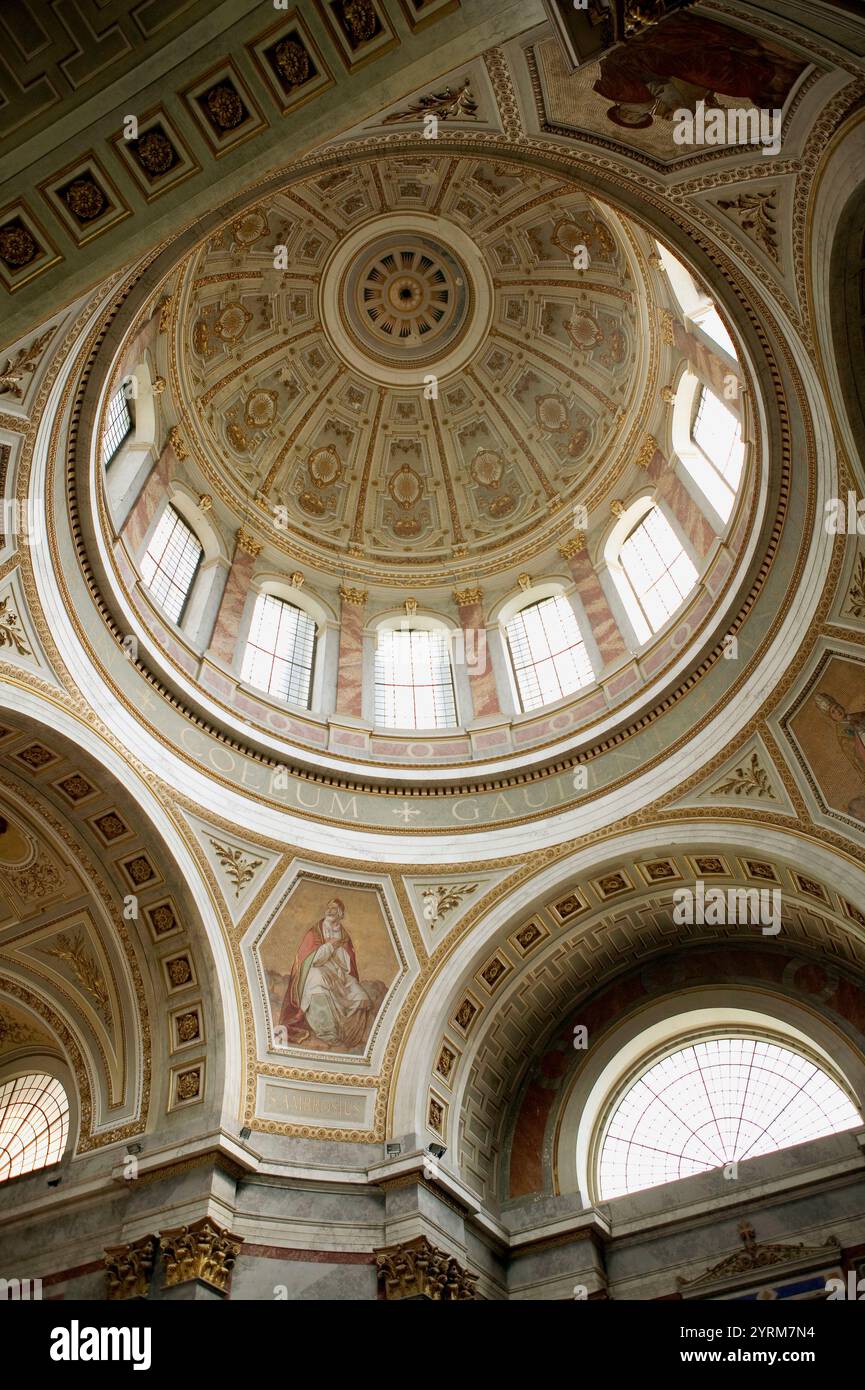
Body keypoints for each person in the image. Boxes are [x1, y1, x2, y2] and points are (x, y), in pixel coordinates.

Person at [278, 897, 384, 1050]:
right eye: (328, 908)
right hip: (317, 969)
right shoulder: (315, 932)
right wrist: (329, 946)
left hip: (339, 975)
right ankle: (327, 1032)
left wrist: (338, 950)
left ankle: (349, 1036)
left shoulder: (344, 936)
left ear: (340, 913)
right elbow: (311, 961)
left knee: (361, 996)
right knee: (317, 980)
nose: (329, 911)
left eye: (334, 909)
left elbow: (348, 966)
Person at [815, 692, 865, 820]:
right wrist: (857, 732)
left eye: (837, 707)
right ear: (831, 717)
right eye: (833, 711)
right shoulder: (841, 733)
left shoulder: (858, 715)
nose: (837, 711)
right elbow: (853, 752)